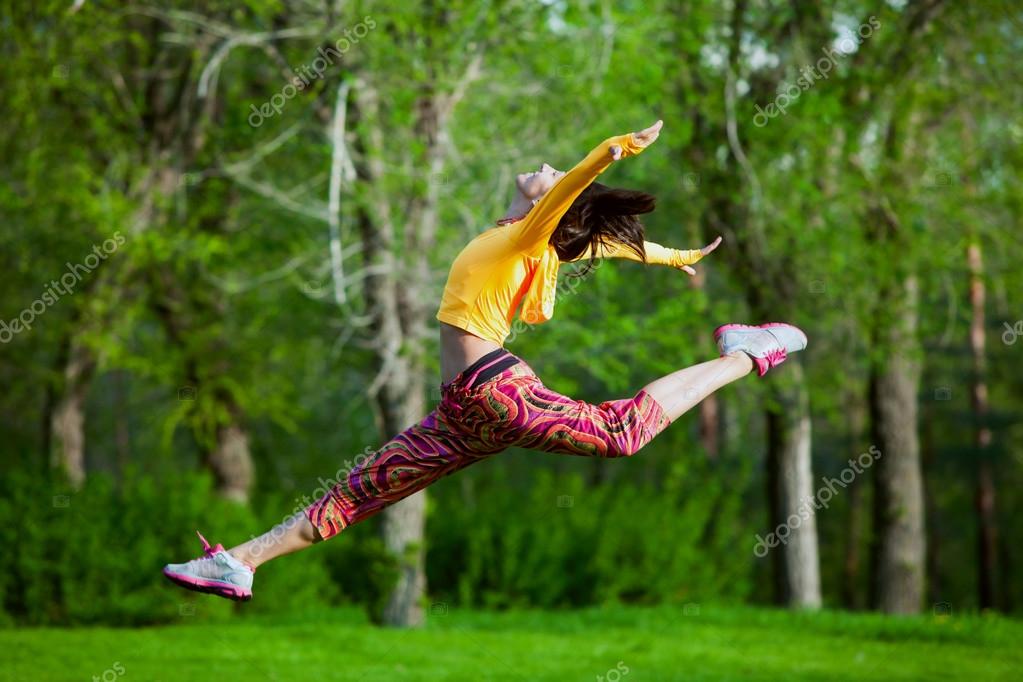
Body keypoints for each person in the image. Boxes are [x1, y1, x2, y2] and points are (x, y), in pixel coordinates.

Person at [163, 119, 807, 601]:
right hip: (463, 411)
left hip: (493, 389)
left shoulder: (532, 235)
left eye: (553, 179)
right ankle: (240, 563)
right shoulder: (525, 244)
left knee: (621, 432)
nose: (546, 169)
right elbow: (607, 245)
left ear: (549, 207)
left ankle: (747, 353)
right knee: (361, 491)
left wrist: (615, 151)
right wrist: (676, 257)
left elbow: (572, 196)